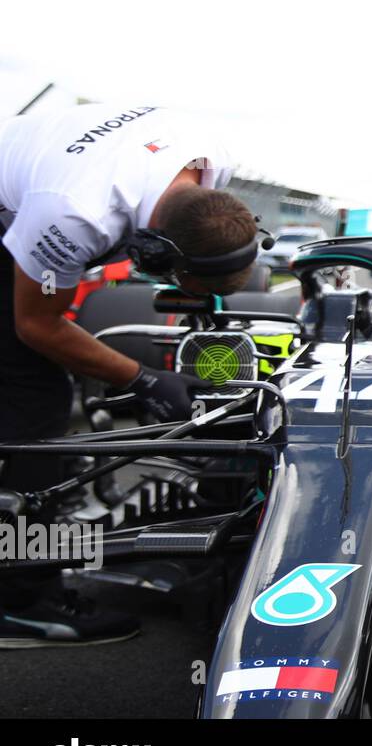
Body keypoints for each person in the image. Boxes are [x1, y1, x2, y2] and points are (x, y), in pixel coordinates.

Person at [0, 101, 259, 647]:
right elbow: (37, 324)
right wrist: (144, 380)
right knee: (33, 398)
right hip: (26, 200)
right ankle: (20, 599)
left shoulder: (215, 156)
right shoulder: (74, 213)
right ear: (154, 251)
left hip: (44, 173)